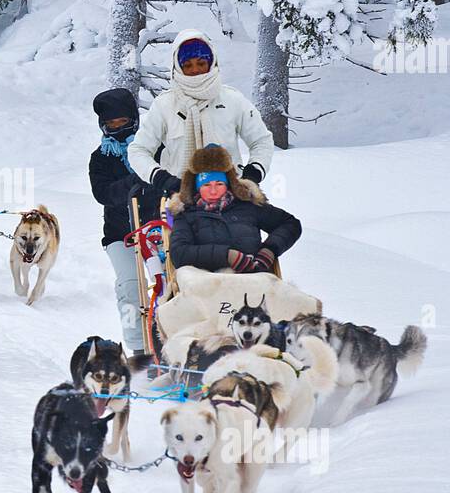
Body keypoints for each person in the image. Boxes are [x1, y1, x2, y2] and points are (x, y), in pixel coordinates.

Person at [127, 29, 275, 200]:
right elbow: (138, 150)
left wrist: (253, 173)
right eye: (187, 65)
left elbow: (261, 141)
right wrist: (162, 179)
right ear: (177, 67)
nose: (195, 70)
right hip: (180, 198)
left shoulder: (232, 99)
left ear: (211, 62)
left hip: (232, 197)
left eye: (201, 63)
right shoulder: (164, 105)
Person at [89, 88, 161, 368]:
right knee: (132, 287)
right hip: (121, 234)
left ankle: (172, 342)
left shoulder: (154, 148)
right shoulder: (101, 158)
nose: (117, 129)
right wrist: (132, 184)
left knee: (169, 283)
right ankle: (139, 349)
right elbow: (102, 193)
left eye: (123, 123)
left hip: (157, 228)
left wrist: (153, 182)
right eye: (111, 125)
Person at [168, 144, 301, 273]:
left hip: (255, 282)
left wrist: (270, 250)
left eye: (219, 184)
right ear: (197, 187)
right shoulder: (187, 213)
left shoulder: (248, 205)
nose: (213, 191)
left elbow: (290, 224)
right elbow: (179, 253)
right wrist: (226, 256)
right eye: (206, 185)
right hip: (209, 287)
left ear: (228, 184)